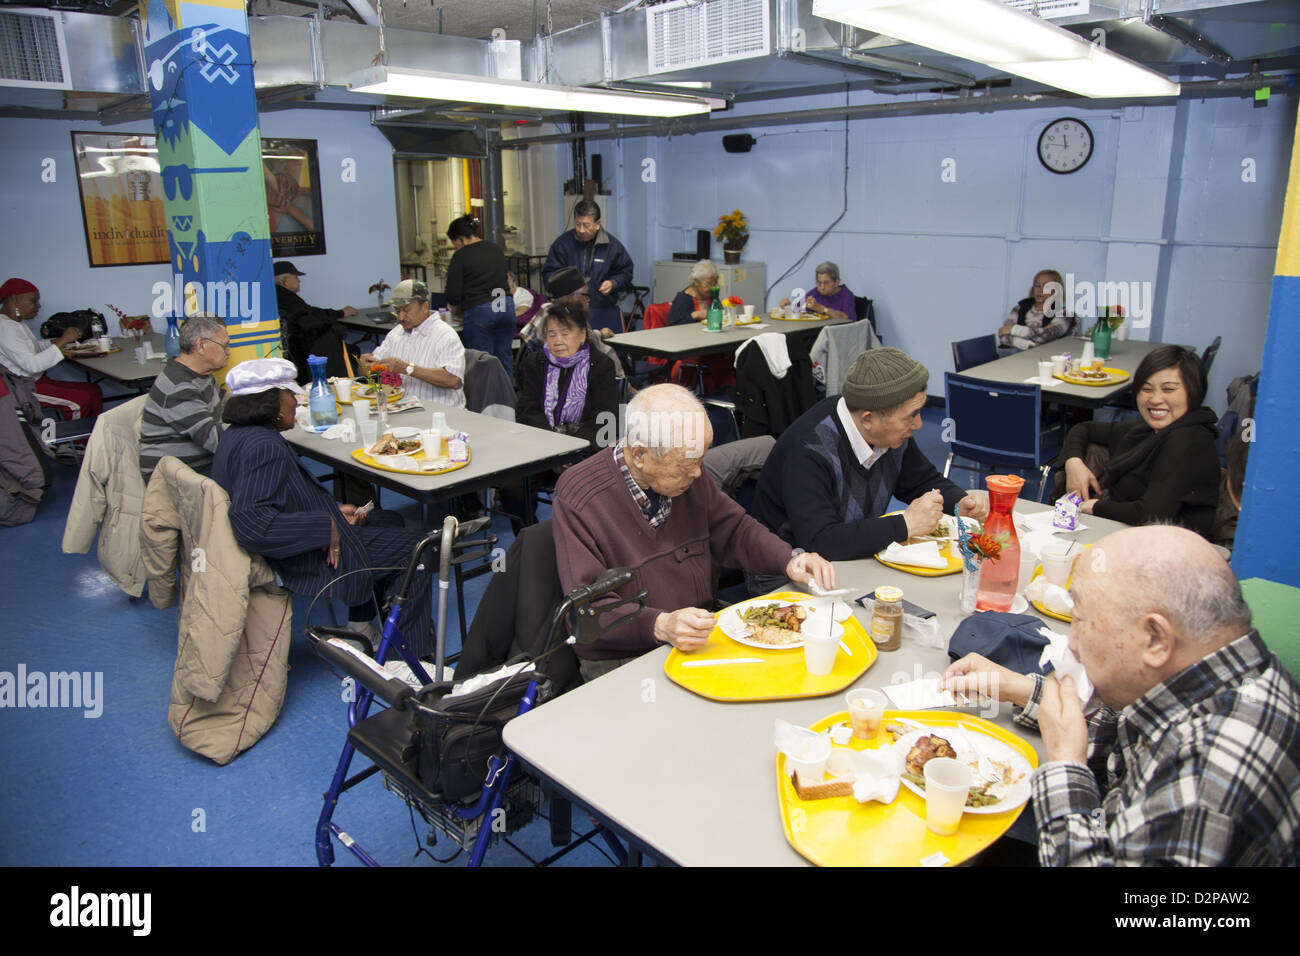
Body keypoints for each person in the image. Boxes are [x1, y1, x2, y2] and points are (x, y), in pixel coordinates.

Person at [943, 525, 1300, 866]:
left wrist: (1067, 763)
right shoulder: (1224, 675)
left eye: (1081, 620)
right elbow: (1137, 736)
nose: (1072, 642)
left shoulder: (1208, 777)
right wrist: (1024, 691)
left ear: (1156, 639)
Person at [552, 384, 836, 682]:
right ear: (639, 454)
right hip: (624, 658)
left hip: (696, 638)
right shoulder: (580, 497)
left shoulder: (686, 478)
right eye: (687, 465)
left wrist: (789, 560)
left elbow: (735, 529)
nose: (698, 474)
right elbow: (586, 614)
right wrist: (660, 625)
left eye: (701, 460)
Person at [211, 358, 436, 655]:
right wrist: (326, 525)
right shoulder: (263, 446)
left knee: (388, 519)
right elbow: (253, 524)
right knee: (418, 547)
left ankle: (362, 626)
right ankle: (410, 658)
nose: (297, 402)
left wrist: (332, 512)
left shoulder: (237, 435)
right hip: (298, 559)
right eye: (291, 395)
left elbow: (278, 499)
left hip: (293, 545)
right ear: (274, 405)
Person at [751, 348, 988, 563]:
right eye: (911, 416)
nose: (919, 424)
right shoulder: (809, 449)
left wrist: (959, 501)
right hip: (787, 569)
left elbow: (921, 481)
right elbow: (821, 542)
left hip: (850, 556)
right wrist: (904, 524)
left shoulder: (890, 432)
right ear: (868, 419)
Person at [1058, 345, 1219, 536]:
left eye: (1168, 389)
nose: (1155, 399)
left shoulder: (1189, 439)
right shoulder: (1149, 431)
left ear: (1193, 392)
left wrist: (1095, 507)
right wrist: (1073, 463)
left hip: (1169, 550)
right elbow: (1083, 428)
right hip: (1129, 534)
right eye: (1146, 388)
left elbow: (1150, 513)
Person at [0, 277, 103, 422]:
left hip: (38, 381)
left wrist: (55, 342)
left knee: (93, 390)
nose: (38, 306)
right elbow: (33, 365)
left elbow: (33, 347)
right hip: (24, 388)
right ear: (14, 299)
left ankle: (94, 437)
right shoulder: (5, 328)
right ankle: (79, 443)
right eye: (33, 301)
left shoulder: (16, 323)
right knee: (79, 401)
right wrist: (63, 340)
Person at [139, 313, 228, 479]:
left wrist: (258, 404)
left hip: (200, 464)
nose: (228, 352)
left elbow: (222, 400)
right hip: (175, 477)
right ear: (201, 346)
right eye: (224, 346)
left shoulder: (201, 374)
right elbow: (214, 439)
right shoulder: (179, 387)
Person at [359, 279, 465, 408]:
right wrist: (365, 365)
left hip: (439, 414)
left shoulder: (445, 335)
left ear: (425, 306)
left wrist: (407, 369)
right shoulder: (396, 333)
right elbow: (369, 372)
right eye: (397, 311)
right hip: (402, 410)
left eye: (406, 310)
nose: (401, 317)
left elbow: (453, 380)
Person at [541, 199, 634, 335]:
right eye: (577, 224)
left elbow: (626, 272)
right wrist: (565, 289)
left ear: (597, 224)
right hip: (568, 314)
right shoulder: (562, 244)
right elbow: (549, 275)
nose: (581, 230)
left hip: (602, 310)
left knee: (602, 349)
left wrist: (614, 283)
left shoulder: (613, 247)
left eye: (586, 225)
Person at [444, 214, 513, 380]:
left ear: (459, 239)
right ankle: (510, 401)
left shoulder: (461, 256)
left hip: (481, 310)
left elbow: (453, 293)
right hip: (505, 305)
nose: (456, 247)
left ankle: (485, 404)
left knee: (482, 361)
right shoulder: (495, 248)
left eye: (455, 243)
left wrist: (456, 305)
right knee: (504, 357)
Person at [273, 261, 359, 384]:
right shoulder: (285, 297)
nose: (299, 281)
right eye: (296, 277)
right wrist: (340, 313)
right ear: (285, 281)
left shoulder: (279, 296)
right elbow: (311, 313)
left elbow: (310, 311)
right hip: (305, 350)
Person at [998, 269, 1072, 352]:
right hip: (1011, 355)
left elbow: (1047, 335)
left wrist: (1014, 330)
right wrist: (1030, 344)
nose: (1040, 290)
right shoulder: (1019, 309)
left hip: (1043, 358)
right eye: (1037, 285)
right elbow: (1003, 335)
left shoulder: (1064, 313)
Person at [778, 261, 856, 320]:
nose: (822, 287)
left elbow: (848, 319)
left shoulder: (846, 295)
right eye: (819, 282)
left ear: (837, 282)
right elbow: (796, 310)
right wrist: (787, 306)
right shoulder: (816, 292)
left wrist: (821, 308)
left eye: (826, 283)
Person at [667, 259, 718, 327]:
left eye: (715, 284)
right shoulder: (683, 300)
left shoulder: (711, 296)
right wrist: (694, 316)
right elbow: (673, 326)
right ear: (696, 282)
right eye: (708, 284)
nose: (713, 288)